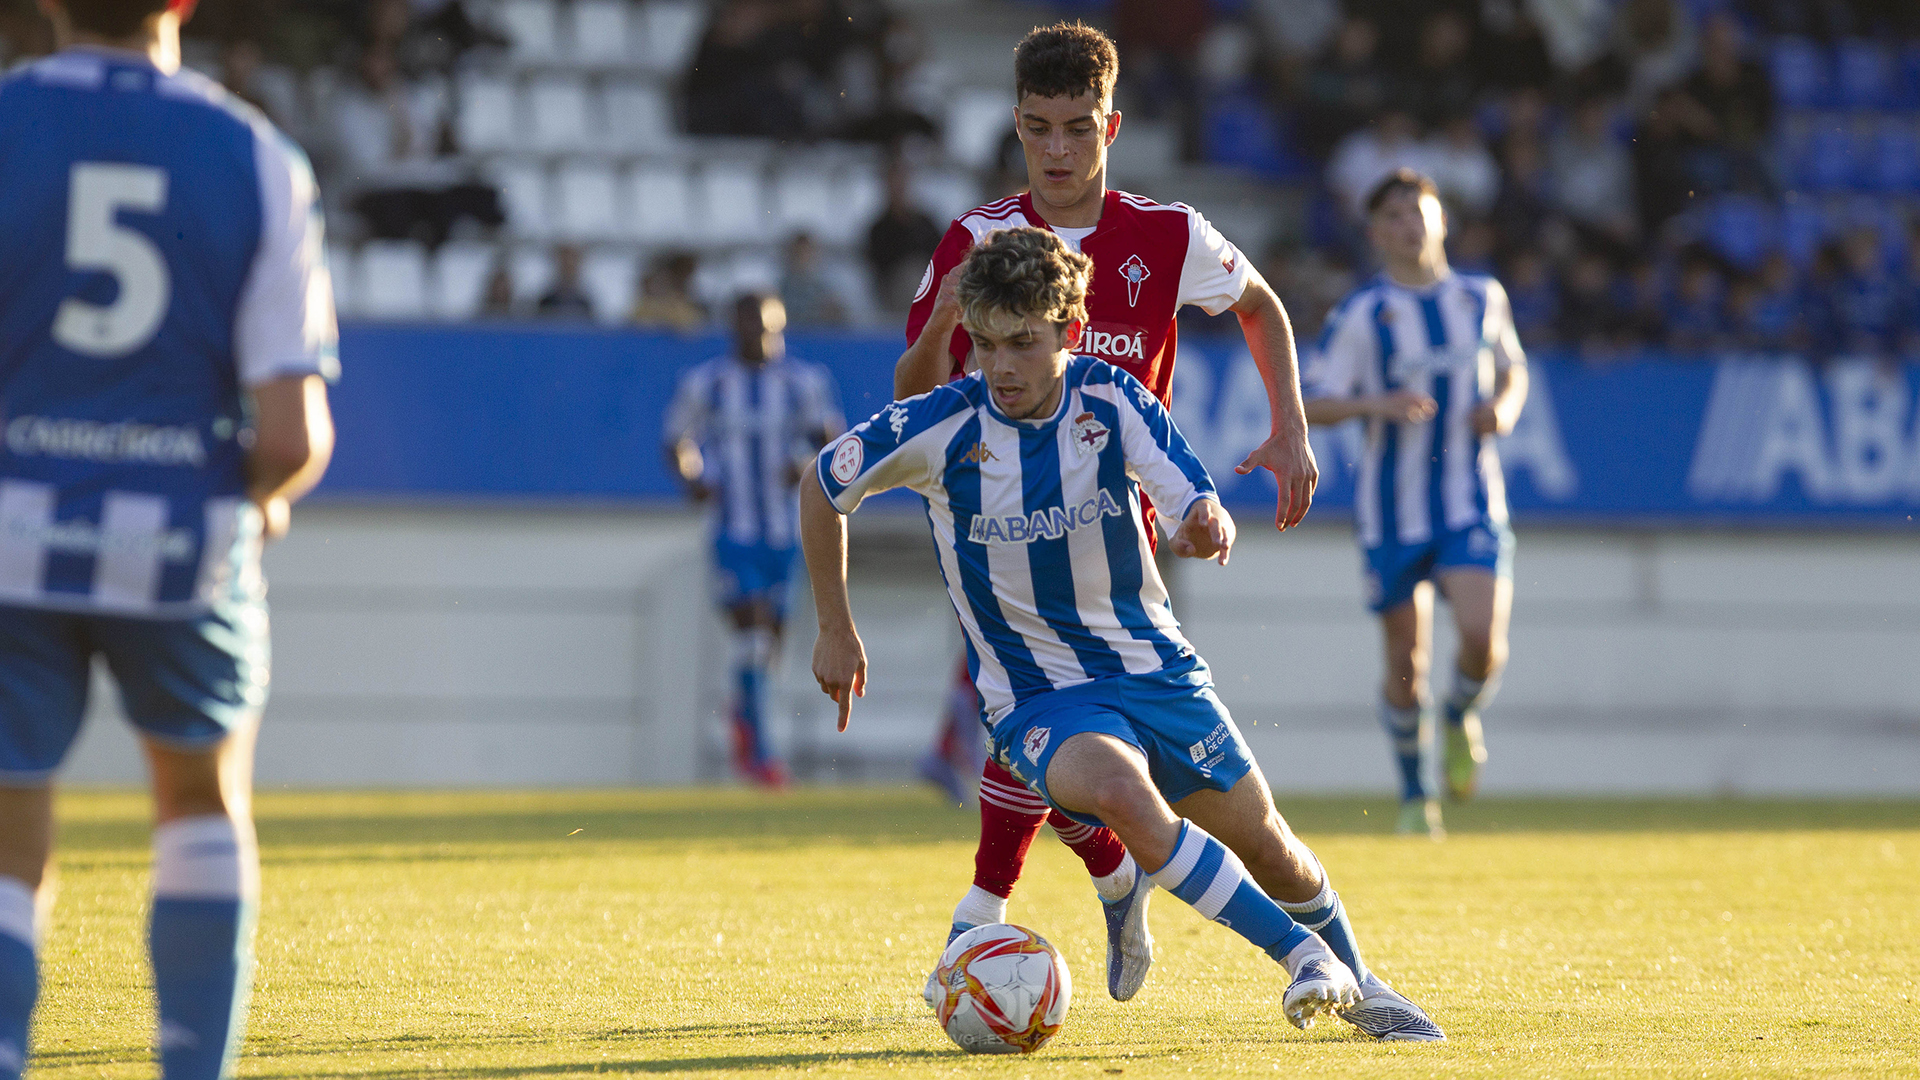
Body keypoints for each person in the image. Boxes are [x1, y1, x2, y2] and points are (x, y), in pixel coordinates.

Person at [805, 226, 1442, 1041]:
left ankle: (1366, 985)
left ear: (1068, 330)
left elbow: (1189, 500)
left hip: (1156, 670)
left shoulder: (1112, 398)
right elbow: (824, 485)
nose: (1001, 365)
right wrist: (835, 625)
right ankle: (1303, 958)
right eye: (988, 343)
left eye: (1023, 343)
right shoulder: (941, 425)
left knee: (1271, 847)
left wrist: (1204, 525)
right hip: (1039, 696)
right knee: (1121, 795)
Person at [893, 21, 1319, 1005]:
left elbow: (1260, 304)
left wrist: (1290, 428)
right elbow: (914, 384)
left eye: (1076, 127)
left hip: (1124, 519)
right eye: (1037, 128)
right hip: (1000, 509)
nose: (1056, 149)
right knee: (1026, 707)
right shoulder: (977, 238)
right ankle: (999, 911)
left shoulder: (1165, 234)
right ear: (1015, 127)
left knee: (1068, 730)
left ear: (1111, 124)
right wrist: (953, 313)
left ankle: (1100, 881)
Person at [0, 0, 339, 1076]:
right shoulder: (255, 154)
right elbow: (289, 433)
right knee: (199, 802)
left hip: (9, 539)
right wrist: (258, 493)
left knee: (8, 835)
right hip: (182, 547)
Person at [1303, 170, 1528, 839]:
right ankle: (1413, 795)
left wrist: (1506, 410)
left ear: (1441, 219)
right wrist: (1378, 403)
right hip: (1392, 513)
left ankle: (1459, 715)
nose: (1408, 223)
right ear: (1376, 233)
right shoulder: (1363, 314)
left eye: (1417, 210)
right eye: (1393, 215)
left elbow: (1513, 367)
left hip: (1470, 500)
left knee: (1483, 641)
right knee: (1407, 664)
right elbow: (1313, 399)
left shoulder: (1482, 297)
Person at [663, 294, 843, 787]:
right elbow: (676, 440)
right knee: (754, 632)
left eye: (767, 329)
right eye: (748, 328)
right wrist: (693, 479)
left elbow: (832, 442)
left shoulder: (804, 383)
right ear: (733, 329)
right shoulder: (707, 383)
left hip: (787, 534)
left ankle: (743, 712)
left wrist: (805, 464)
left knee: (771, 649)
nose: (758, 338)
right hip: (732, 531)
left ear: (780, 327)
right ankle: (762, 755)